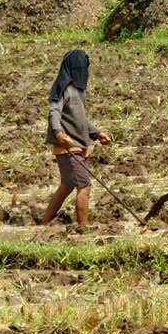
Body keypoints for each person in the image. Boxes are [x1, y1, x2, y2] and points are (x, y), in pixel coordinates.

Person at [38, 49, 110, 228]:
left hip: (80, 144)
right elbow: (54, 112)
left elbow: (81, 120)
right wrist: (58, 132)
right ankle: (83, 227)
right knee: (84, 186)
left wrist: (96, 133)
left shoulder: (79, 91)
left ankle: (44, 222)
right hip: (68, 146)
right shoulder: (63, 89)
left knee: (67, 185)